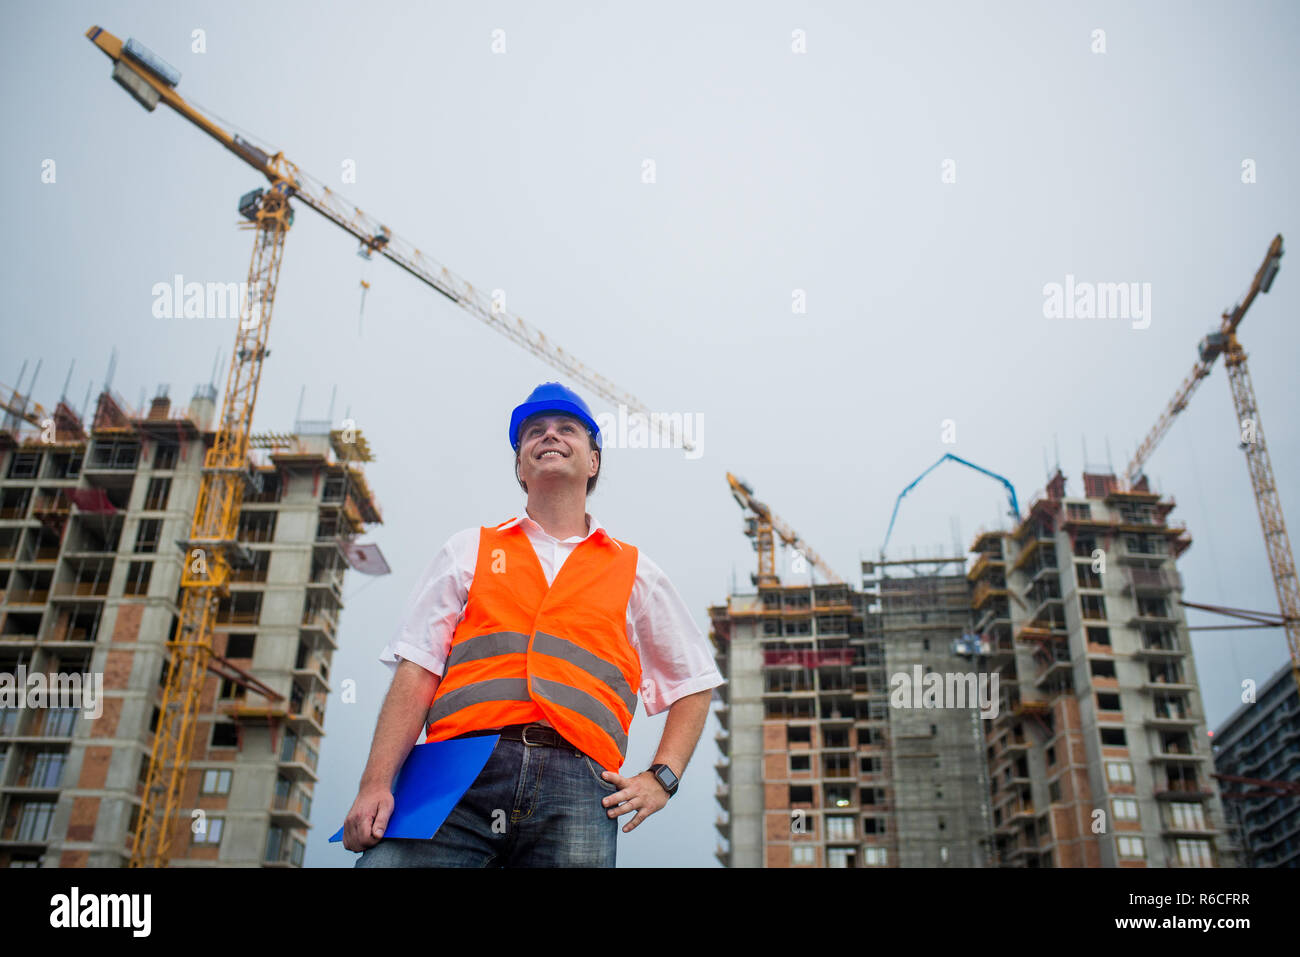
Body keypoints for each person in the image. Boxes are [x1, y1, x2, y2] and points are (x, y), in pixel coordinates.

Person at [345, 381, 724, 866]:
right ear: (520, 466)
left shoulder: (637, 573)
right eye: (534, 432)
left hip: (579, 787)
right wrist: (375, 784)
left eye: (567, 429)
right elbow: (417, 670)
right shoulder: (469, 550)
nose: (550, 436)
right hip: (453, 774)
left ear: (593, 462)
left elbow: (694, 682)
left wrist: (662, 778)